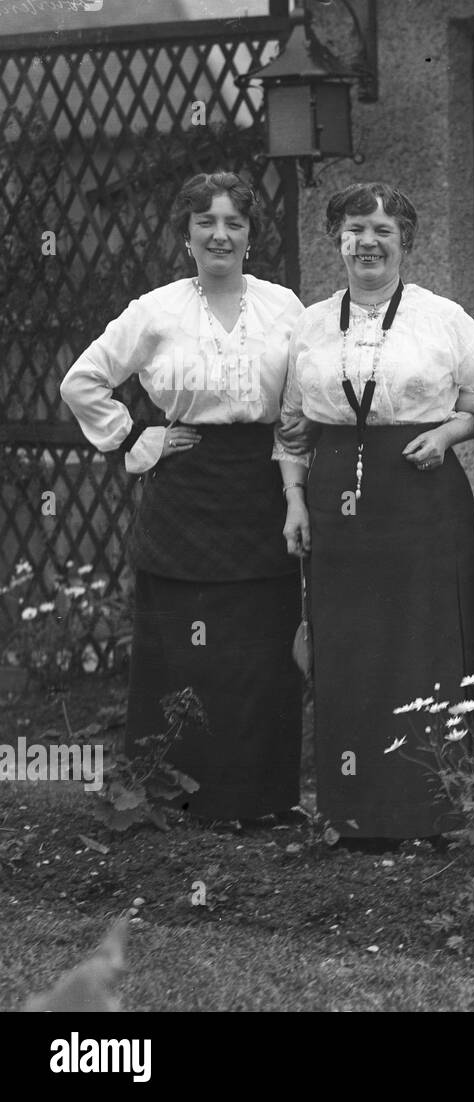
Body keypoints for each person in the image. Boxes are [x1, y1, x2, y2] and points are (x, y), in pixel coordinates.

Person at [61, 171, 304, 821]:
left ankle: (259, 799)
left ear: (251, 236)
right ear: (186, 236)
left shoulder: (284, 307)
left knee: (259, 643)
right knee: (184, 646)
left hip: (262, 487)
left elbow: (307, 397)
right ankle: (173, 796)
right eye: (206, 222)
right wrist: (139, 440)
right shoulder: (156, 310)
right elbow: (82, 382)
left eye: (234, 223)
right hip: (186, 489)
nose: (220, 234)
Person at [275, 182, 474, 850]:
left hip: (423, 500)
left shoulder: (444, 319)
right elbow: (291, 430)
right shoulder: (312, 325)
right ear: (336, 239)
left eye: (383, 230)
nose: (368, 242)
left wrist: (446, 433)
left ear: (406, 240)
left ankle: (429, 815)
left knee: (422, 646)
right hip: (336, 511)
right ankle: (350, 815)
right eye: (354, 229)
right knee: (348, 650)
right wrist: (294, 500)